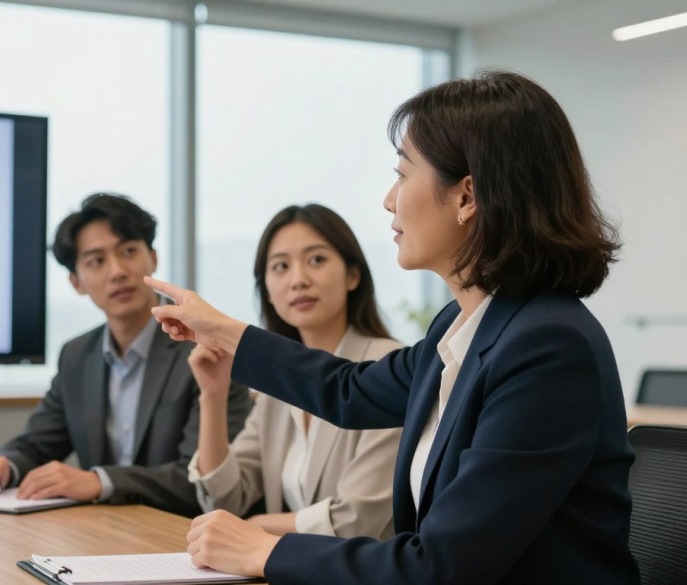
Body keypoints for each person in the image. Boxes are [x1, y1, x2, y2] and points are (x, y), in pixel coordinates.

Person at [147, 70, 639, 584]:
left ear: (467, 196)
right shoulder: (463, 323)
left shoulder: (548, 346)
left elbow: (441, 566)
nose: (388, 199)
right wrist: (221, 329)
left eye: (403, 174)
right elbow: (348, 390)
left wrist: (267, 553)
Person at [0, 193, 252, 517]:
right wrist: (3, 466)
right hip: (106, 534)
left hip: (185, 535)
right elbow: (38, 443)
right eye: (96, 261)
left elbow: (202, 481)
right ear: (76, 282)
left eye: (128, 251)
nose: (117, 271)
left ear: (152, 259)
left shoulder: (207, 351)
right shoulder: (76, 355)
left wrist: (101, 482)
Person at [188, 204, 401, 540]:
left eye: (316, 260)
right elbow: (223, 498)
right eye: (280, 267)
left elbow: (356, 520)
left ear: (352, 275)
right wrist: (213, 395)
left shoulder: (387, 367)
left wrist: (257, 525)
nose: (299, 280)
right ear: (268, 292)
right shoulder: (277, 382)